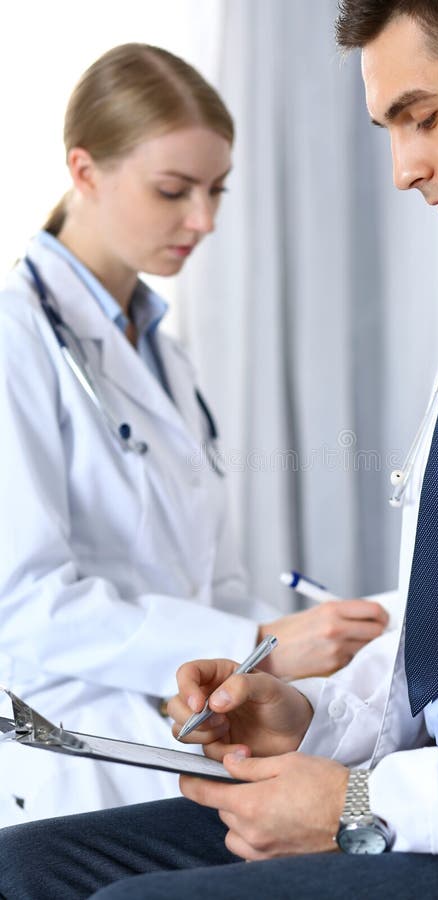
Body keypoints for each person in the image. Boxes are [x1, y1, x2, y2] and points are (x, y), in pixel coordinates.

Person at [1, 0, 438, 897]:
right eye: (175, 189)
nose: (403, 170)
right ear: (83, 172)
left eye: (422, 117)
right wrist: (305, 712)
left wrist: (360, 790)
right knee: (24, 867)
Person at [0, 42, 389, 827]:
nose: (203, 221)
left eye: (216, 191)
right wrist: (261, 641)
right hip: (66, 765)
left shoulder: (162, 357)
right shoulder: (14, 339)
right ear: (84, 172)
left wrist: (308, 647)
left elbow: (204, 582)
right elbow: (25, 608)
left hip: (172, 737)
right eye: (174, 190)